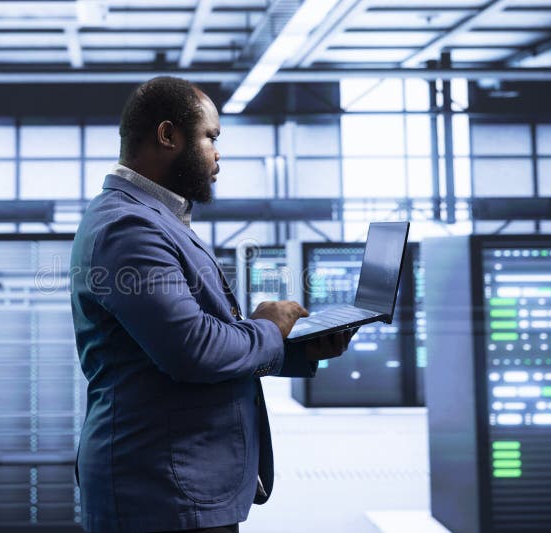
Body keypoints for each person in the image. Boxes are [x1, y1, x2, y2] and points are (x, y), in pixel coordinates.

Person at [70, 76, 355, 533]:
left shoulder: (155, 218)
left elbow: (179, 347)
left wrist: (295, 350)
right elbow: (193, 349)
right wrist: (268, 326)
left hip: (175, 485)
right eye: (210, 137)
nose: (218, 153)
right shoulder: (130, 228)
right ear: (168, 136)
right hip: (159, 492)